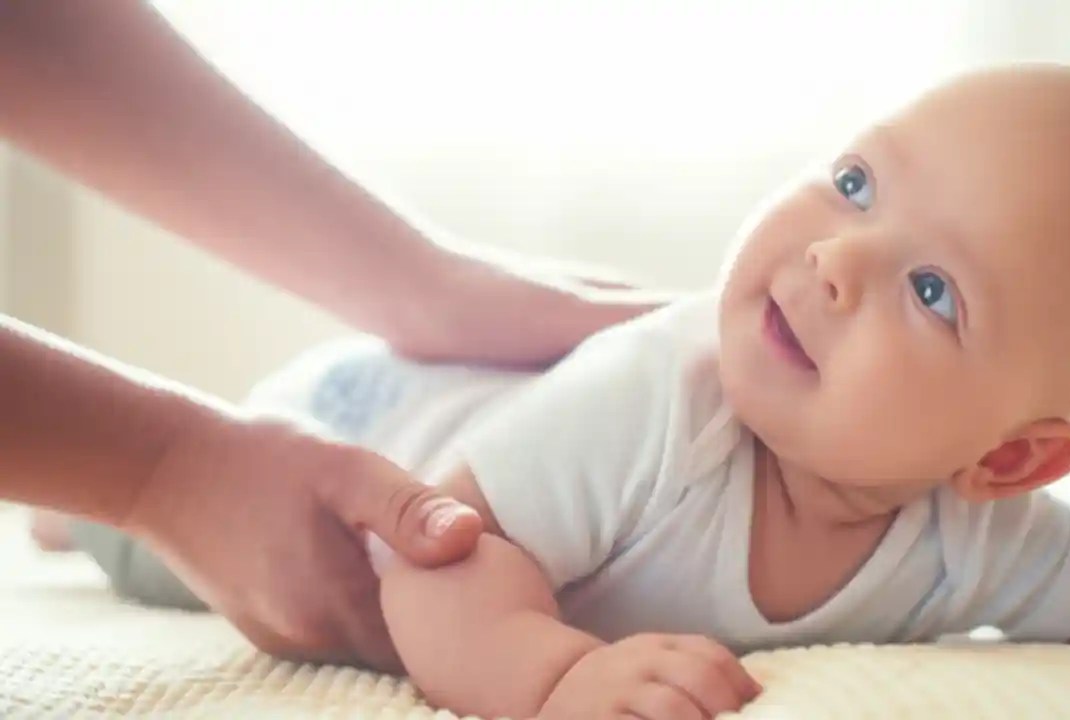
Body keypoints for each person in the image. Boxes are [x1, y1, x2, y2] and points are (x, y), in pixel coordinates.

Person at [43, 65, 1070, 720]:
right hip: (365, 430)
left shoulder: (970, 537)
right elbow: (444, 555)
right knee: (151, 544)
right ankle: (61, 514)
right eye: (855, 186)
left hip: (419, 424)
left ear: (1006, 460)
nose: (835, 262)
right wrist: (547, 678)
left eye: (932, 293)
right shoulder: (659, 396)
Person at [0, 1, 656, 674]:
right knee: (170, 554)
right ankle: (67, 523)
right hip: (337, 434)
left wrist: (429, 284)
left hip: (347, 408)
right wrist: (161, 470)